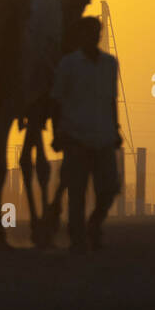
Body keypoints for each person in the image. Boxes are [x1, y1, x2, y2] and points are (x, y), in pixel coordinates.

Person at [50, 16, 121, 252]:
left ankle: (94, 223)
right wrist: (58, 132)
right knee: (77, 191)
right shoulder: (68, 65)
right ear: (80, 36)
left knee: (109, 188)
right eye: (87, 33)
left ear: (99, 34)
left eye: (95, 32)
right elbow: (57, 101)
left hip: (103, 135)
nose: (92, 37)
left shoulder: (110, 64)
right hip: (75, 135)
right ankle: (78, 238)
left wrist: (116, 128)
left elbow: (112, 100)